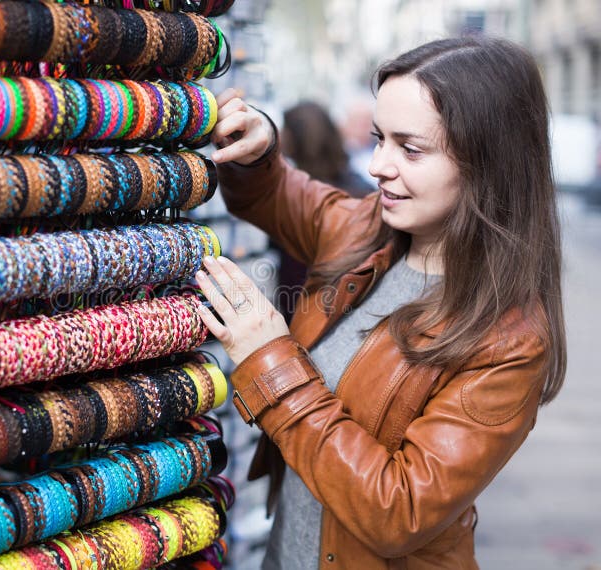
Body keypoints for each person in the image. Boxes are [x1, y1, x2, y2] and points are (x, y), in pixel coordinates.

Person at [194, 35, 567, 569]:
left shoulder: (510, 340)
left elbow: (398, 512)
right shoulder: (369, 226)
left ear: (488, 160)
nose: (377, 166)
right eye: (378, 139)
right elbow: (278, 194)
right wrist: (258, 149)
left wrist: (269, 356)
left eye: (410, 149)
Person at [275, 101, 373, 319]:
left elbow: (294, 282)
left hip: (309, 319)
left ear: (295, 140)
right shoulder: (361, 189)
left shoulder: (295, 199)